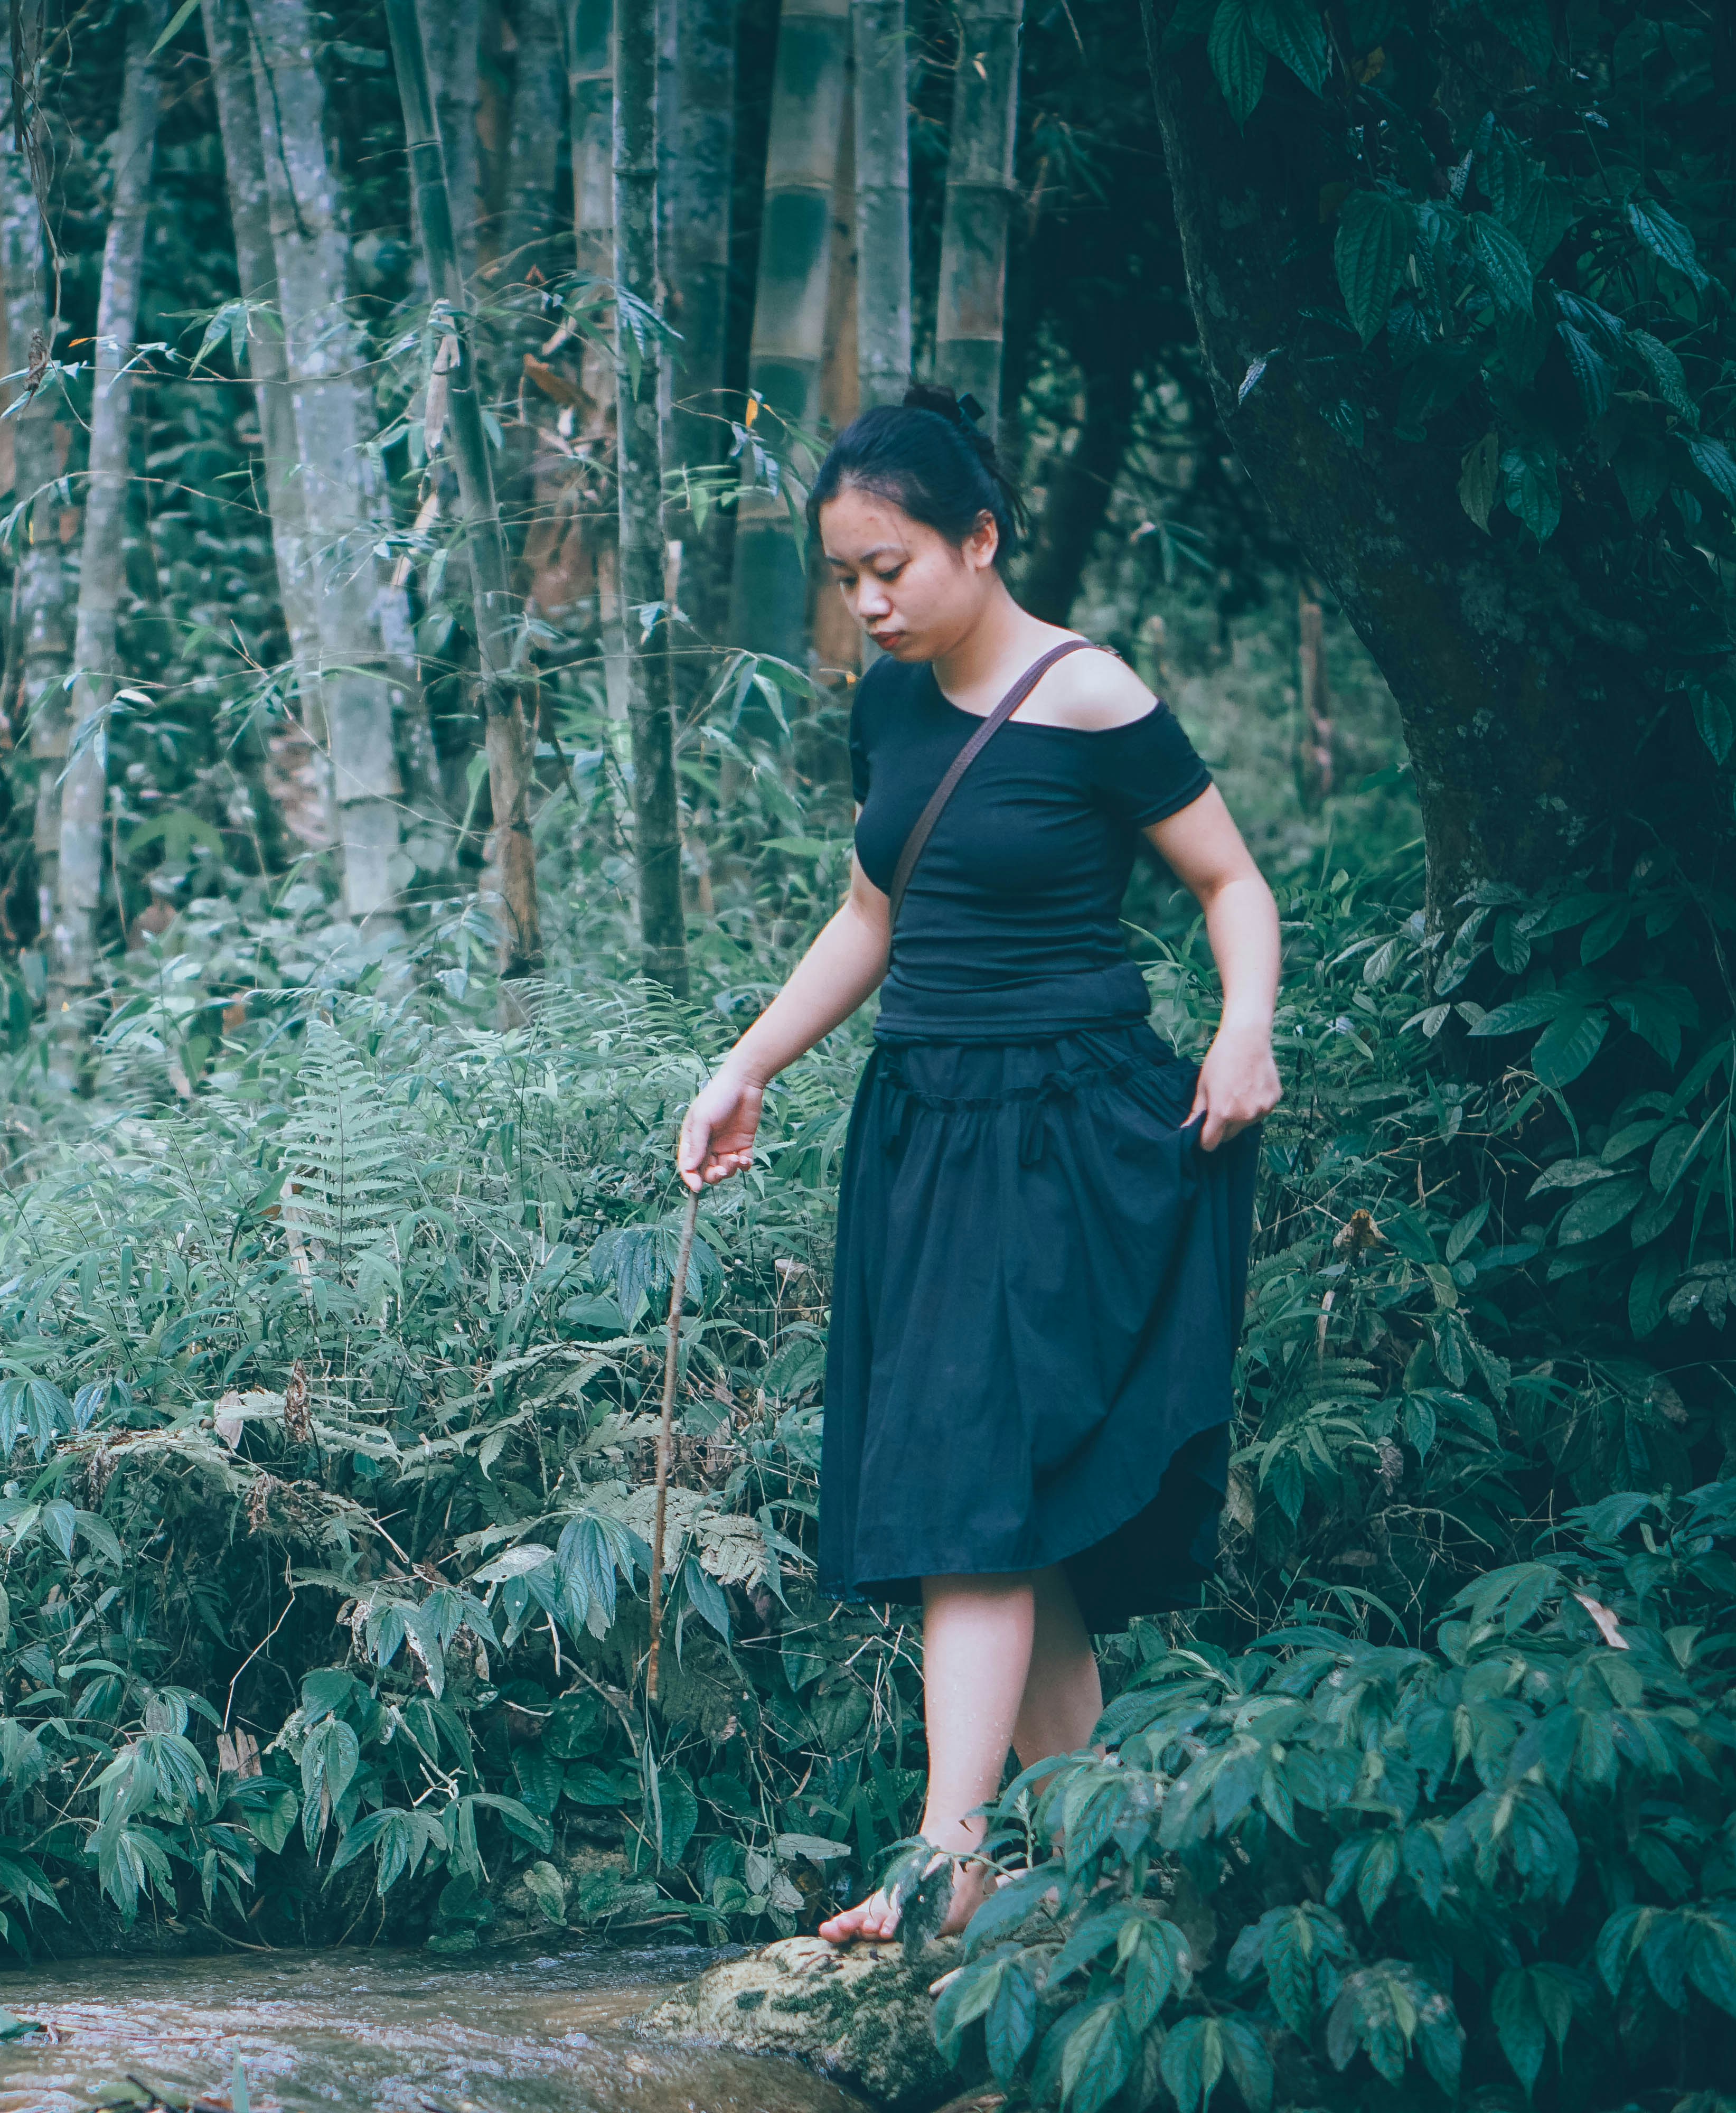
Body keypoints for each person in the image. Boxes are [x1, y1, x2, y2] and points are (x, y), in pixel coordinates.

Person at [673, 388, 1280, 1942]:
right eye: (847, 577)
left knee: (973, 1495)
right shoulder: (887, 709)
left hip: (1066, 1137)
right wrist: (744, 1066)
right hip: (926, 1132)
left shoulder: (1090, 698)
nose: (869, 602)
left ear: (980, 539)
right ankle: (1102, 1880)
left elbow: (1231, 883)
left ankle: (949, 1855)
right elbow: (871, 917)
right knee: (1012, 1507)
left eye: (893, 567)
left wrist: (1244, 1034)